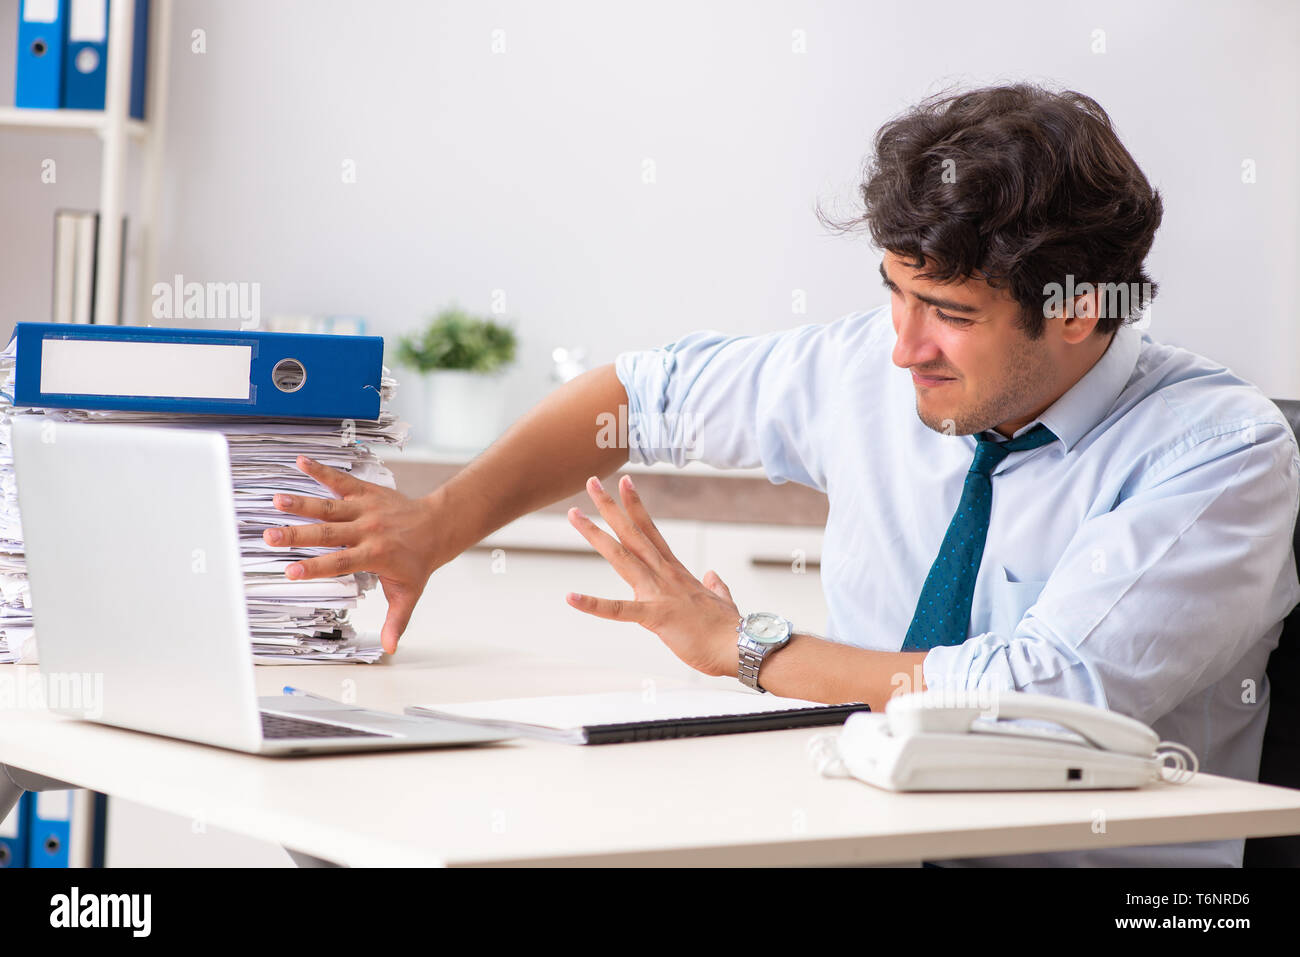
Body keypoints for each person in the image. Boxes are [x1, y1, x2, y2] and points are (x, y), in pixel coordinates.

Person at [262, 84, 1300, 866]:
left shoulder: (1215, 450)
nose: (902, 348)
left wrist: (751, 648)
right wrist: (442, 522)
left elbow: (1041, 694)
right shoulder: (862, 366)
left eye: (951, 314)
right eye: (894, 291)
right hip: (858, 835)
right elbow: (639, 396)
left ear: (1079, 311)